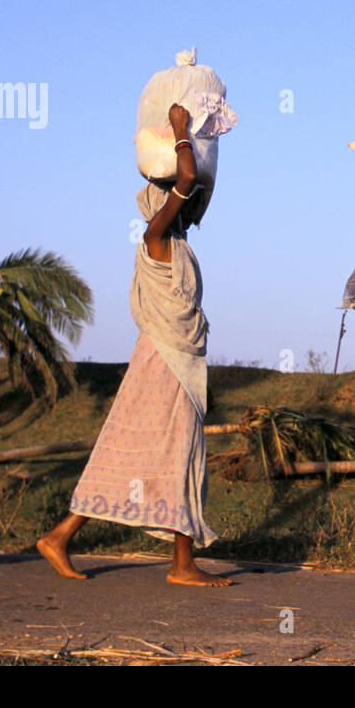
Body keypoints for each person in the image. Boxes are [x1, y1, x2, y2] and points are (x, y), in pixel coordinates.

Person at [37, 104, 227, 587]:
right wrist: (182, 130)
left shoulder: (180, 246)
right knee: (174, 449)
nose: (198, 201)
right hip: (163, 360)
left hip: (174, 358)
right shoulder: (155, 237)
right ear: (168, 203)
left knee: (175, 454)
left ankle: (173, 562)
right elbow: (185, 175)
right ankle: (66, 538)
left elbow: (193, 184)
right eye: (189, 198)